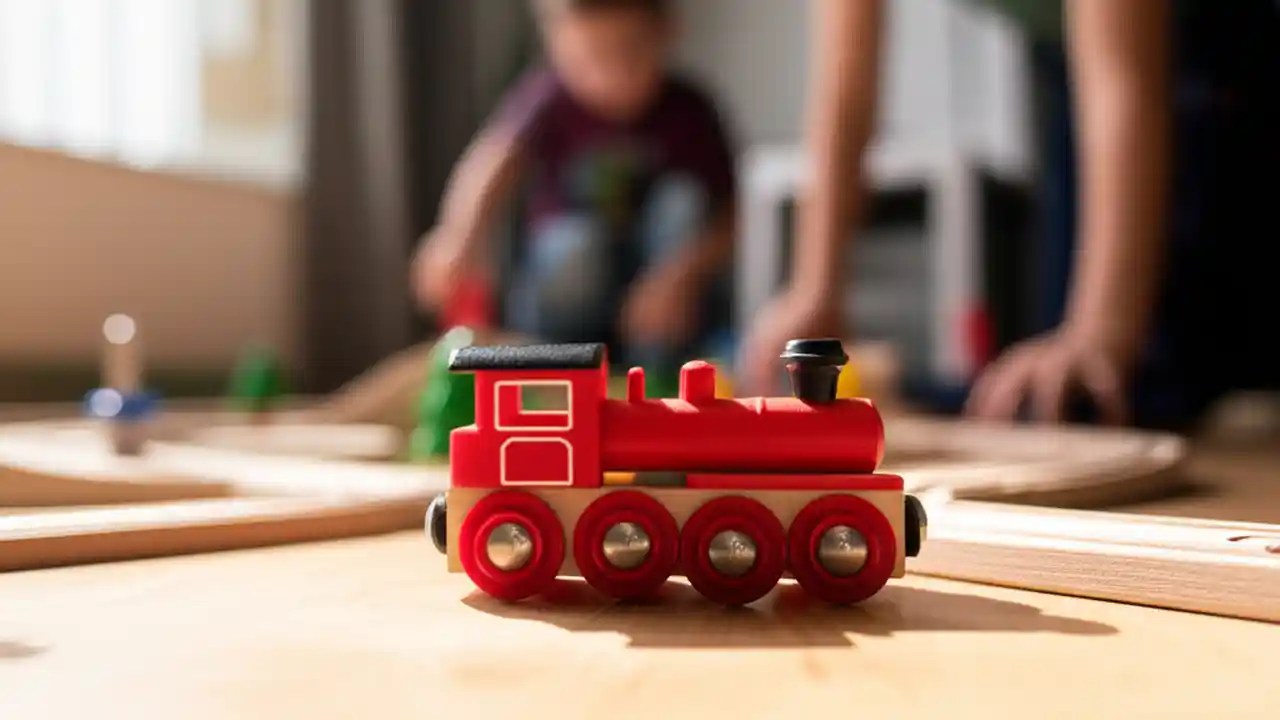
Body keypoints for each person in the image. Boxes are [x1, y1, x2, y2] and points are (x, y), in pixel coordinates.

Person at [739, 0, 1278, 428]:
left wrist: (1100, 333)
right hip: (1068, 57)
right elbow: (844, 90)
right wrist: (816, 289)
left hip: (1211, 39)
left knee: (1143, 371)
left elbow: (1124, 79)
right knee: (1057, 394)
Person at [412, 0, 736, 376]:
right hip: (568, 291)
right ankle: (554, 369)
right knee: (575, 246)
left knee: (682, 202)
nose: (612, 76)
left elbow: (730, 215)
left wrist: (682, 275)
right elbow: (491, 164)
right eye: (590, 61)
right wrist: (458, 239)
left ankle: (659, 373)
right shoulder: (548, 99)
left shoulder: (691, 110)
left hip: (658, 293)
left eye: (630, 53)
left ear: (665, 33)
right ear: (557, 48)